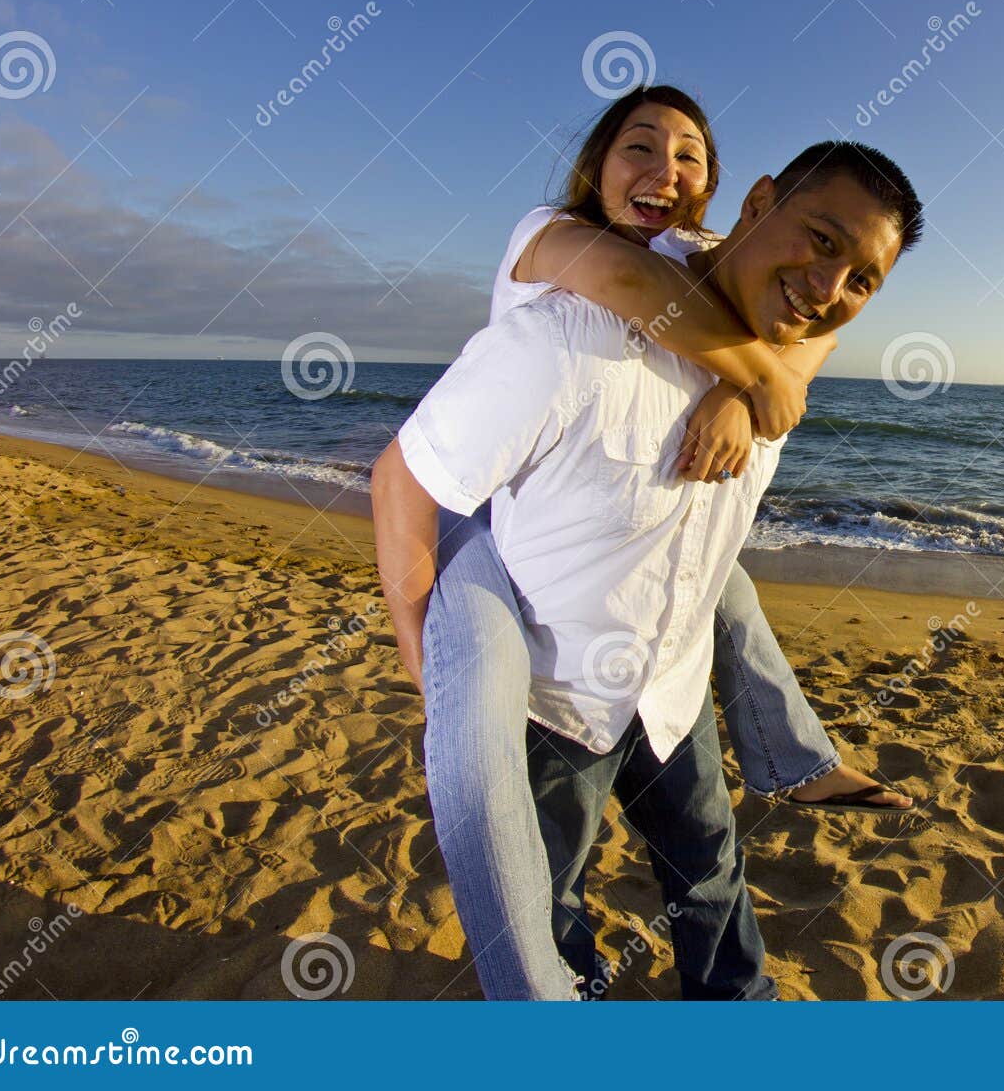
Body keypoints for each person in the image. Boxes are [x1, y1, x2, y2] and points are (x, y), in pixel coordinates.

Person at [371, 139, 923, 998]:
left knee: (710, 874)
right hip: (556, 695)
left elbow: (794, 336)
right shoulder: (569, 334)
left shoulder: (776, 369)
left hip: (671, 684)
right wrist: (425, 661)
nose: (827, 290)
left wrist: (742, 386)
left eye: (861, 280)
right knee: (552, 898)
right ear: (759, 201)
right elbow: (404, 479)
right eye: (821, 240)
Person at [485, 85, 913, 812]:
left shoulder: (709, 261)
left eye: (689, 159)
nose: (665, 170)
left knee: (722, 589)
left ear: (714, 189)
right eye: (639, 147)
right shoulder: (550, 230)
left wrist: (740, 394)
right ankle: (796, 760)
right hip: (516, 505)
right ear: (597, 164)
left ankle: (798, 760)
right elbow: (632, 282)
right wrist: (755, 375)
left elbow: (820, 333)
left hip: (626, 528)